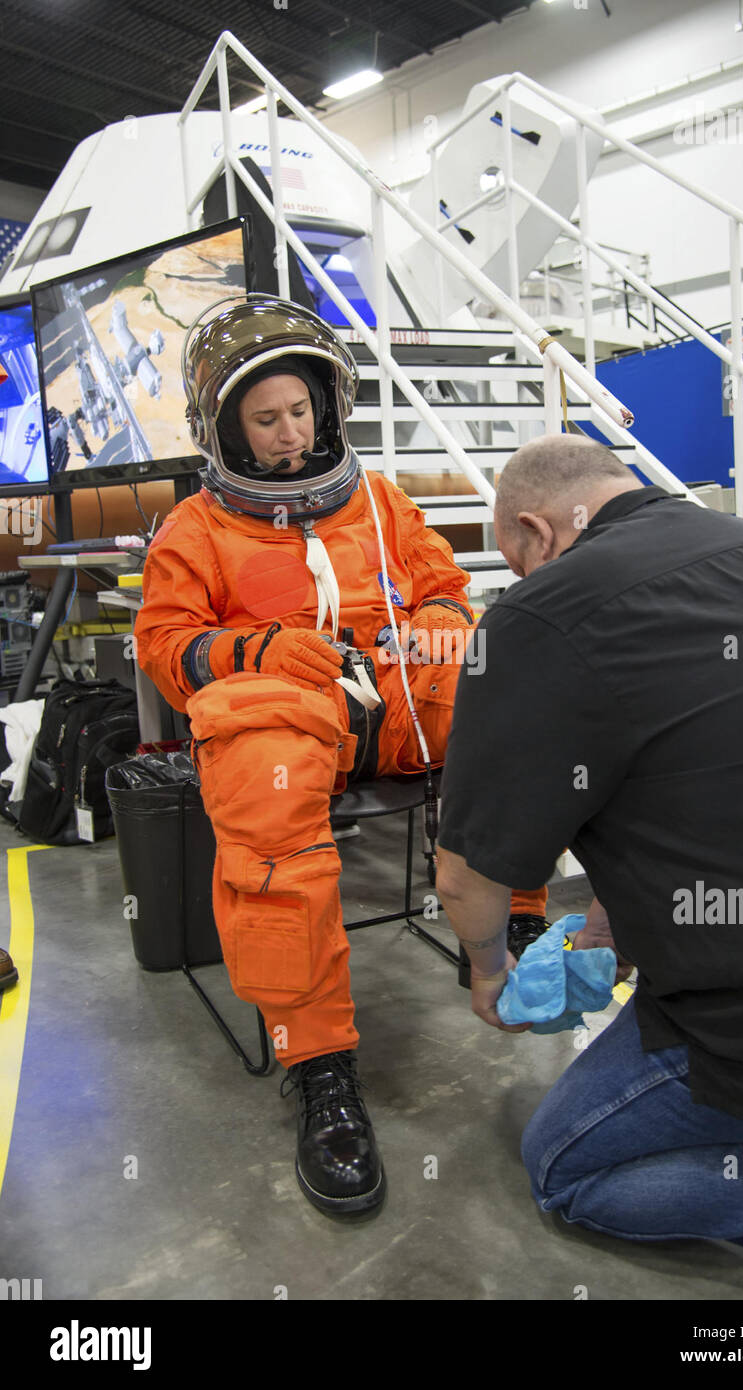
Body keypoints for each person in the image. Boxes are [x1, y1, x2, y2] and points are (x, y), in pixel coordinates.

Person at [134, 295, 548, 1216]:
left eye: (300, 411)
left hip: (395, 697)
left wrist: (441, 621)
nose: (290, 433)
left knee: (505, 678)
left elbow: (442, 584)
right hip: (289, 707)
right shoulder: (196, 529)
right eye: (266, 419)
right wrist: (253, 649)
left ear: (327, 404)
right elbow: (165, 647)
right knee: (250, 737)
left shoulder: (379, 500)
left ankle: (514, 921)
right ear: (229, 430)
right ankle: (318, 1063)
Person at [436, 433, 743, 1262]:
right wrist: (605, 924)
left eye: (515, 560)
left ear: (538, 529)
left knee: (561, 1169)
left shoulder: (539, 614)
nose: (523, 579)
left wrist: (488, 970)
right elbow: (694, 777)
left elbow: (463, 876)